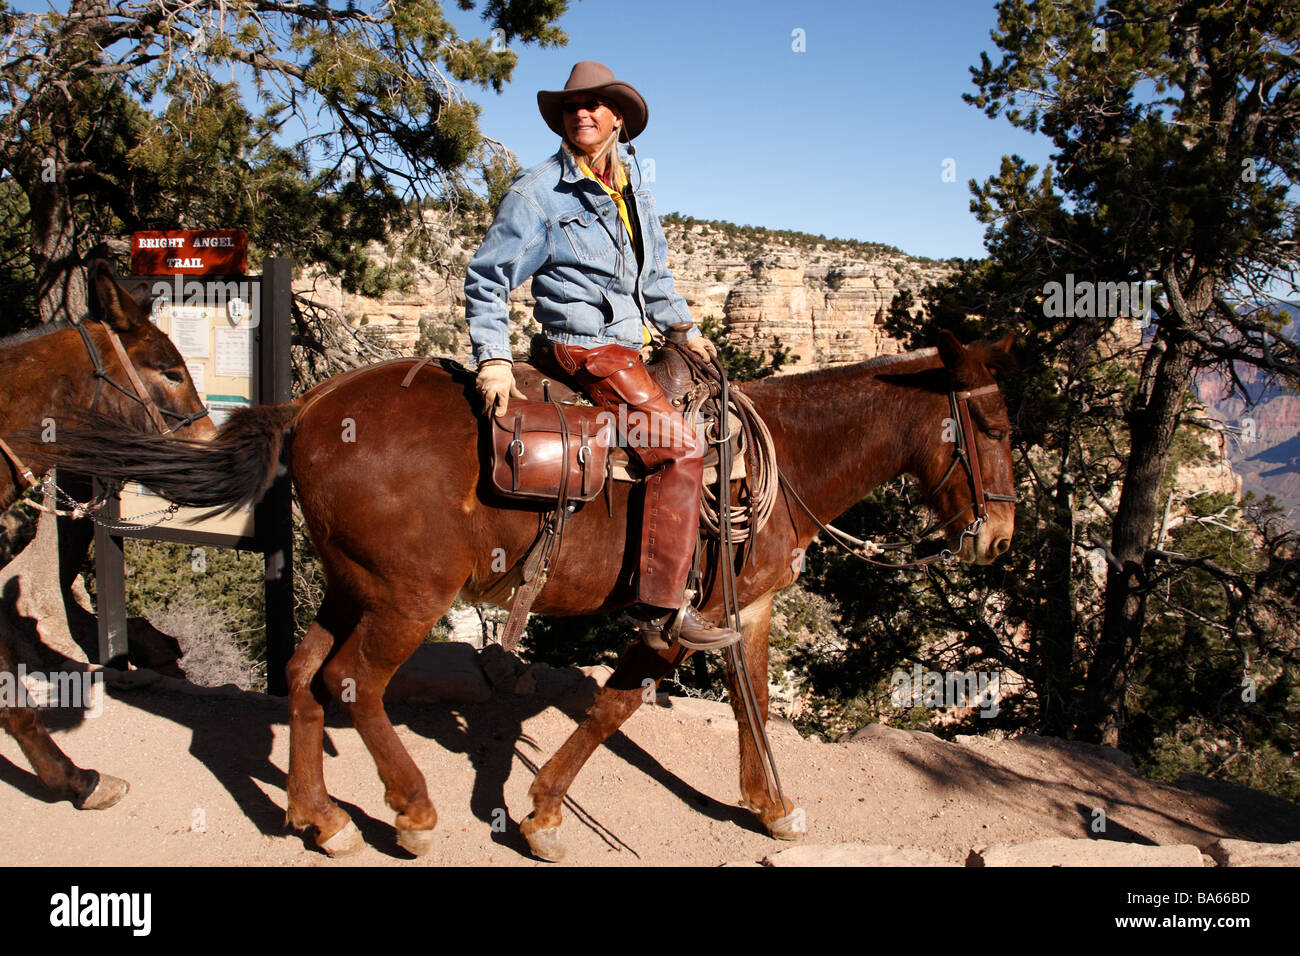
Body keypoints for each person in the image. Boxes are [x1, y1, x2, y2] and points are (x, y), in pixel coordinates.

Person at [464, 60, 740, 652]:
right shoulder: (538, 193)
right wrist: (491, 356)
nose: (582, 113)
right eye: (572, 107)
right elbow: (488, 278)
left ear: (619, 118)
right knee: (680, 449)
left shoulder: (632, 188)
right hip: (585, 349)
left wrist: (685, 331)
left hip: (630, 343)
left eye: (594, 104)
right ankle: (659, 608)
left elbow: (656, 275)